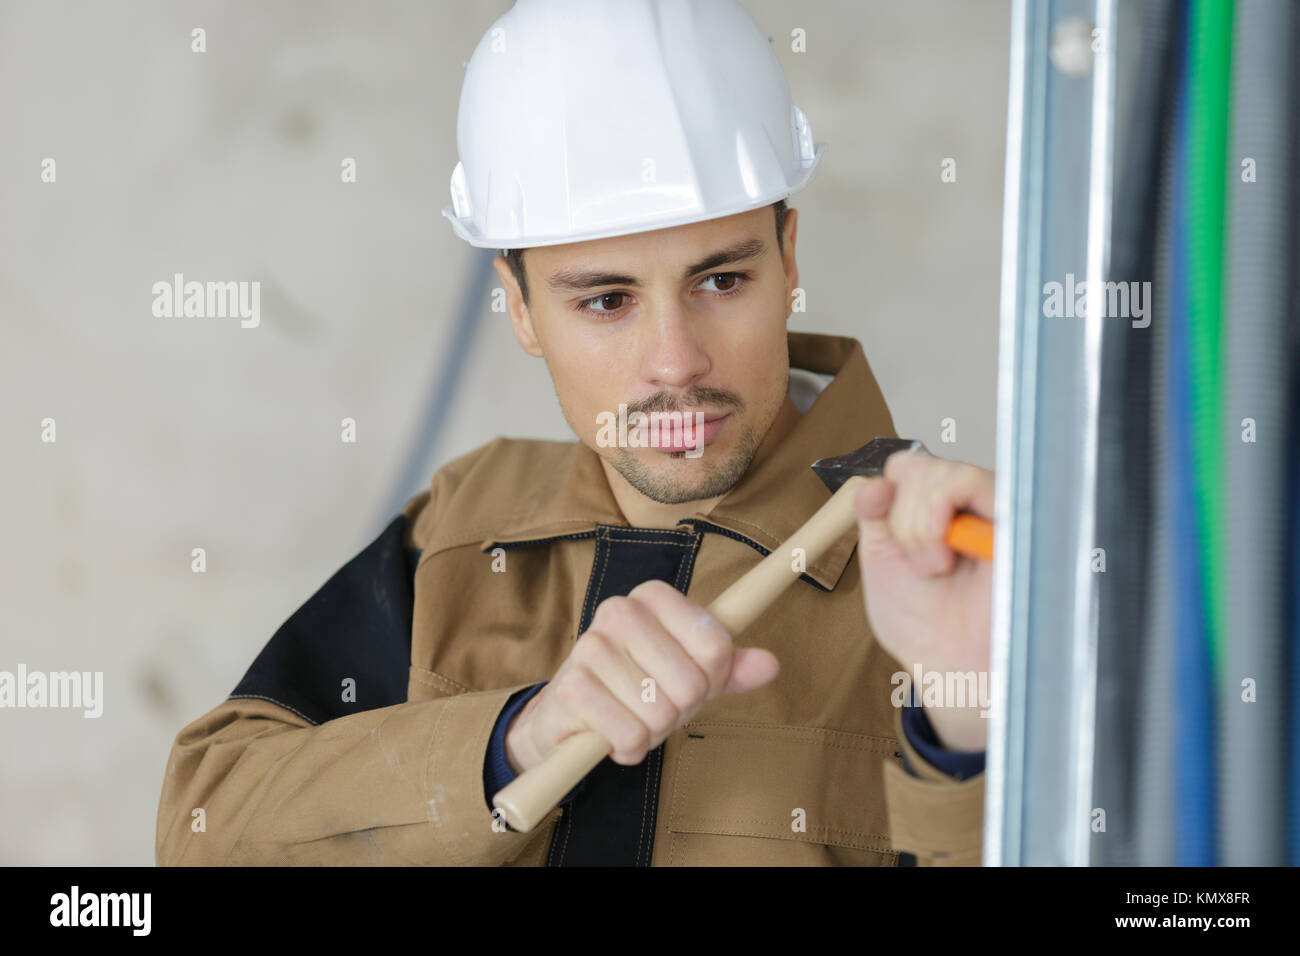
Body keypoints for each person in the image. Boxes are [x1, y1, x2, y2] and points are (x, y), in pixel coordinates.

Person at [155, 0, 993, 867]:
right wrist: (513, 739)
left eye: (721, 280)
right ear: (519, 309)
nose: (675, 363)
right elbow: (203, 831)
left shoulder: (957, 573)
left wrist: (969, 731)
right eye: (606, 299)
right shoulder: (461, 527)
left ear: (788, 260)